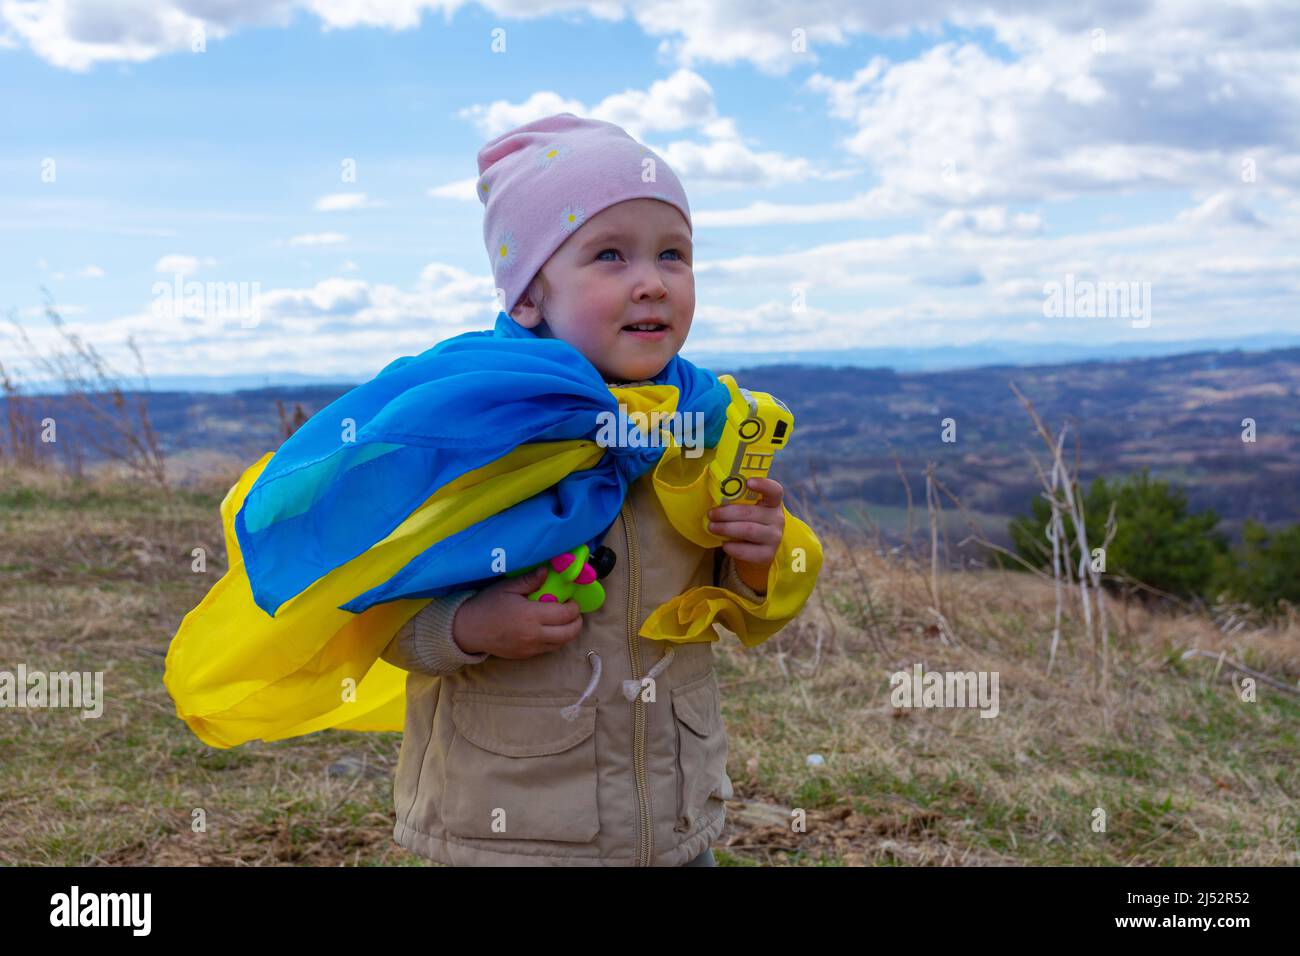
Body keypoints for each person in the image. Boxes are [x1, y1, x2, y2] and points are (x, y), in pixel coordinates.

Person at [379, 113, 817, 866]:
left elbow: (745, 613)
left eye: (672, 254)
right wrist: (469, 627)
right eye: (609, 255)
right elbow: (375, 611)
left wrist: (755, 560)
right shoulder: (475, 433)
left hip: (670, 822)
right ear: (527, 298)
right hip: (510, 832)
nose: (651, 281)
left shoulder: (708, 427)